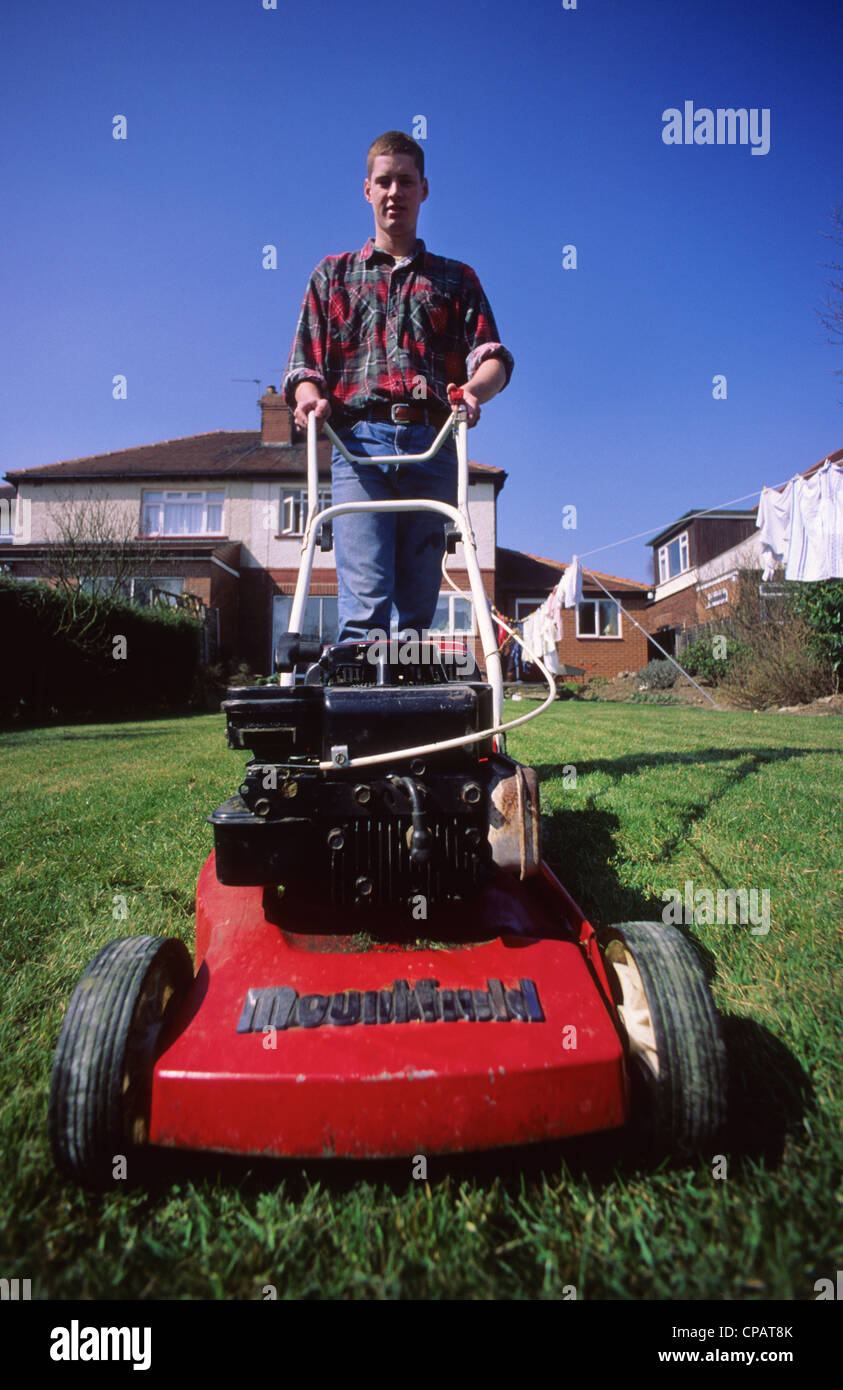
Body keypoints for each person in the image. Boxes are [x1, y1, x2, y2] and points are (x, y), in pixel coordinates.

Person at [282, 130, 513, 643]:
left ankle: (418, 711)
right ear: (367, 190)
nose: (394, 193)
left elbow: (492, 357)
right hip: (356, 446)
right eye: (384, 182)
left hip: (431, 444)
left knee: (414, 613)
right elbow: (304, 366)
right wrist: (308, 401)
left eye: (405, 182)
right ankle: (357, 711)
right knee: (363, 608)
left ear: (423, 190)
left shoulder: (456, 280)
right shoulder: (332, 276)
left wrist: (474, 390)